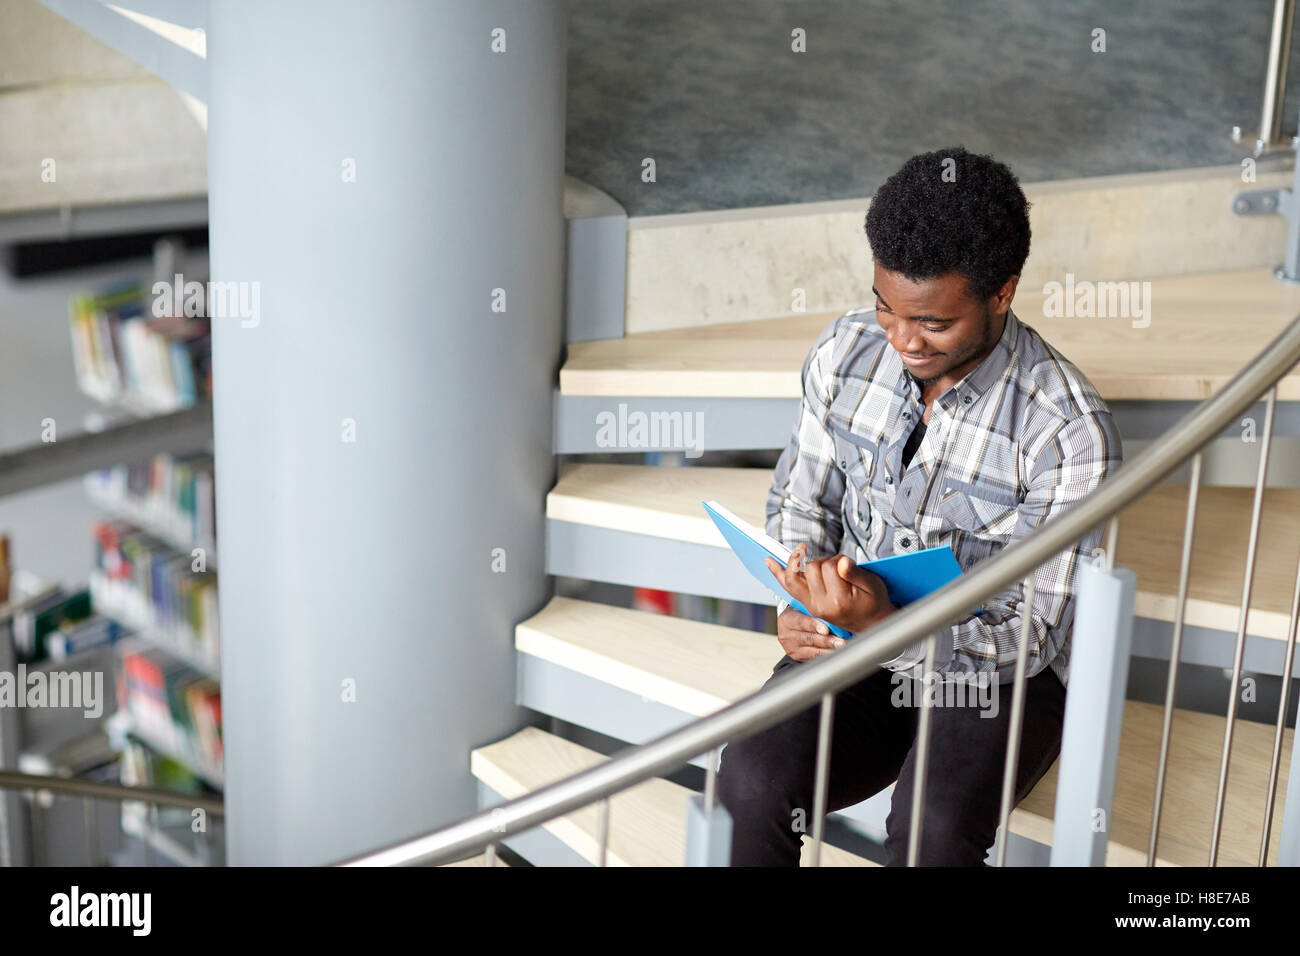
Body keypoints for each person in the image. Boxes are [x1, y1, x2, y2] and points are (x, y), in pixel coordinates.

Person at [715, 145, 1123, 866]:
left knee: (930, 833)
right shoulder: (845, 352)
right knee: (748, 776)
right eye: (886, 307)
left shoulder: (1067, 429)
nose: (903, 339)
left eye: (933, 322)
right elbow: (801, 498)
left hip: (998, 677)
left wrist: (888, 628)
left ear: (1002, 292)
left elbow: (1034, 636)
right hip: (852, 637)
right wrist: (804, 595)